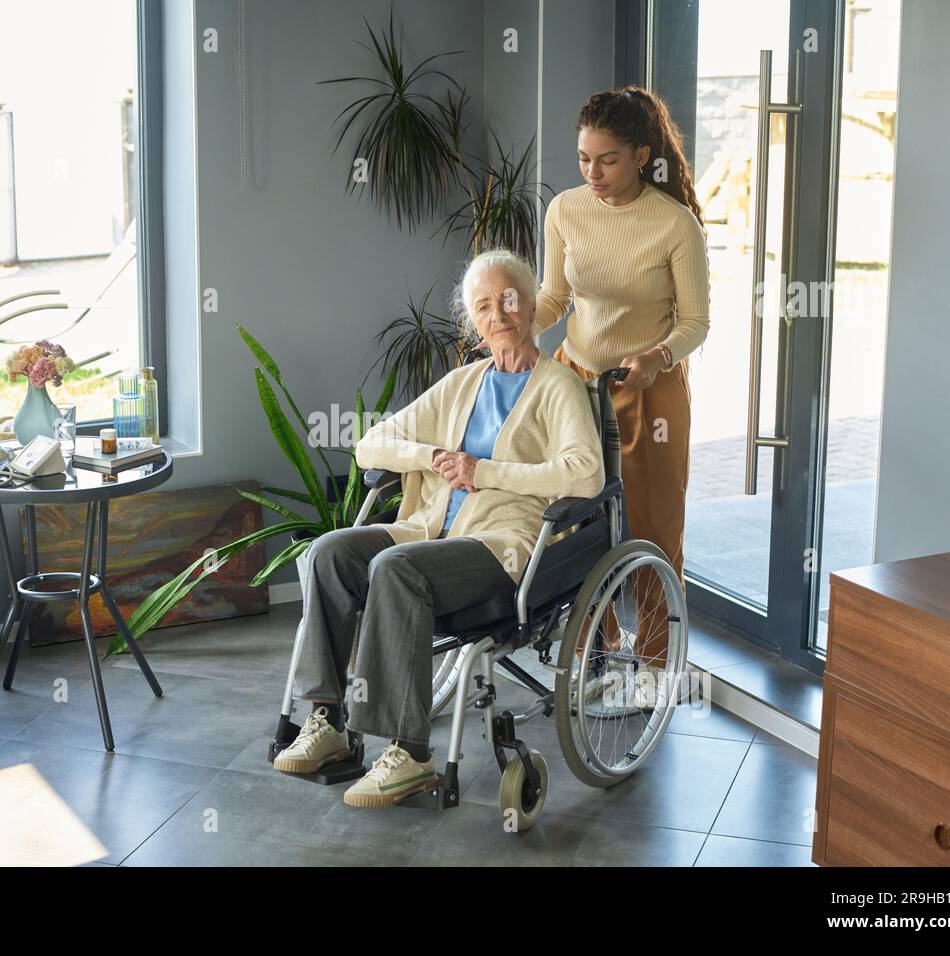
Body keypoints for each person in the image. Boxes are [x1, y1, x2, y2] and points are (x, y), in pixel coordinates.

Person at [273, 249, 605, 807]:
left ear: (530, 306)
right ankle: (327, 721)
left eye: (508, 298)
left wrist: (485, 471)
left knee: (394, 569)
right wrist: (430, 454)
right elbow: (368, 445)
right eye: (483, 305)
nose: (497, 313)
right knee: (331, 553)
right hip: (426, 532)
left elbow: (586, 473)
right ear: (472, 322)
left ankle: (410, 753)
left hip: (497, 544)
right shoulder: (461, 383)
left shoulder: (557, 387)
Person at [533, 86, 709, 677]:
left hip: (649, 387)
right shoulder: (566, 209)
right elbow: (555, 296)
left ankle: (658, 667)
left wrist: (658, 357)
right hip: (576, 379)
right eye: (583, 159)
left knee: (655, 529)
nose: (593, 173)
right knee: (575, 523)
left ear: (640, 153)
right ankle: (594, 657)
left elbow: (695, 323)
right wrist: (512, 323)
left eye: (606, 159)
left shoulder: (673, 223)